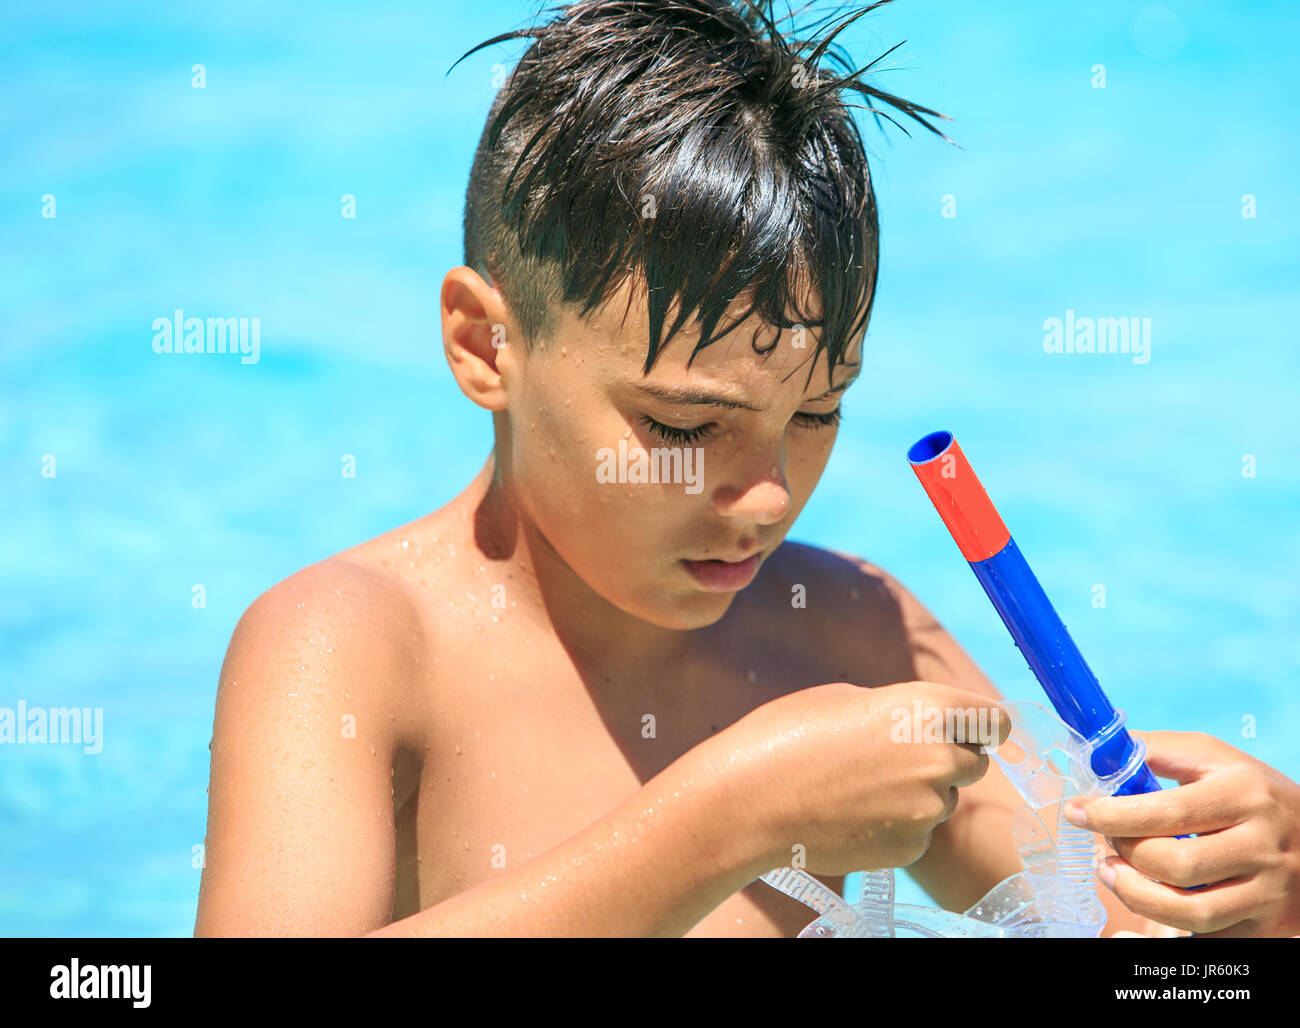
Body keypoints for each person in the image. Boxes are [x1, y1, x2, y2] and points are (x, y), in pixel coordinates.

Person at [193, 0, 1299, 938]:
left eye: (816, 410)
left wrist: (1256, 888)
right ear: (489, 346)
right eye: (682, 423)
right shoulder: (350, 649)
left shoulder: (852, 635)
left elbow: (1126, 937)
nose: (766, 494)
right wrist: (735, 812)